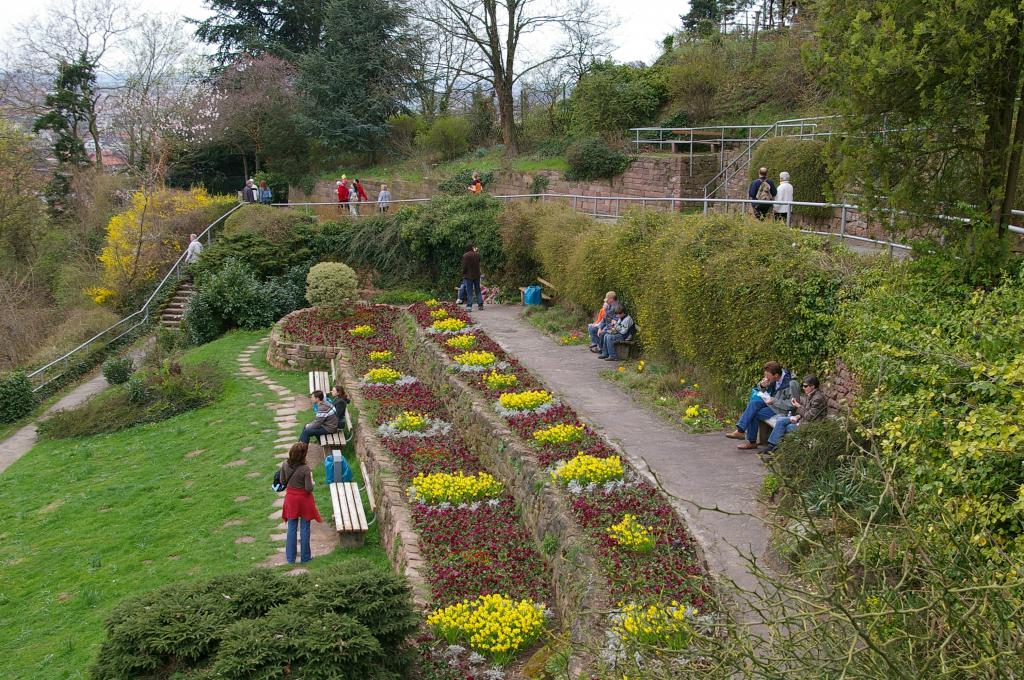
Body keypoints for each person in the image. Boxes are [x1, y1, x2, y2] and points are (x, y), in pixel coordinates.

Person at [735, 364, 799, 450]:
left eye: (767, 376)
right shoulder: (775, 379)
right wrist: (762, 386)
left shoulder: (792, 384)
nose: (766, 377)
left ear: (776, 375)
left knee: (754, 413)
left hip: (783, 410)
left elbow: (793, 404)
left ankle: (751, 441)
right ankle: (740, 430)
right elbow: (764, 391)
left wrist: (774, 401)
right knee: (753, 404)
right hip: (772, 405)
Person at [279, 442, 322, 564]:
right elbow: (308, 488)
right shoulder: (305, 469)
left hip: (291, 499)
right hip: (304, 500)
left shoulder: (285, 465)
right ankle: (305, 557)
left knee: (291, 527)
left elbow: (282, 481)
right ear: (303, 455)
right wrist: (312, 482)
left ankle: (290, 558)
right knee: (305, 528)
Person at [764, 374, 828, 453]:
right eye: (802, 386)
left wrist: (798, 406)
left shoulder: (817, 398)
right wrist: (797, 417)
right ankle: (771, 446)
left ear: (813, 386)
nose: (803, 388)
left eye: (805, 386)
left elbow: (810, 416)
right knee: (781, 420)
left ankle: (776, 449)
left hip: (811, 425)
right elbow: (805, 410)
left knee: (786, 427)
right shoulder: (810, 394)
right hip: (804, 421)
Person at [461, 244, 482, 311]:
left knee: (469, 291)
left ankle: (469, 306)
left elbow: (464, 266)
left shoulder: (465, 256)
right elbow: (479, 262)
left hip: (468, 275)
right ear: (472, 248)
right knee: (478, 290)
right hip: (477, 275)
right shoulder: (477, 255)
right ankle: (480, 305)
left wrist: (463, 273)